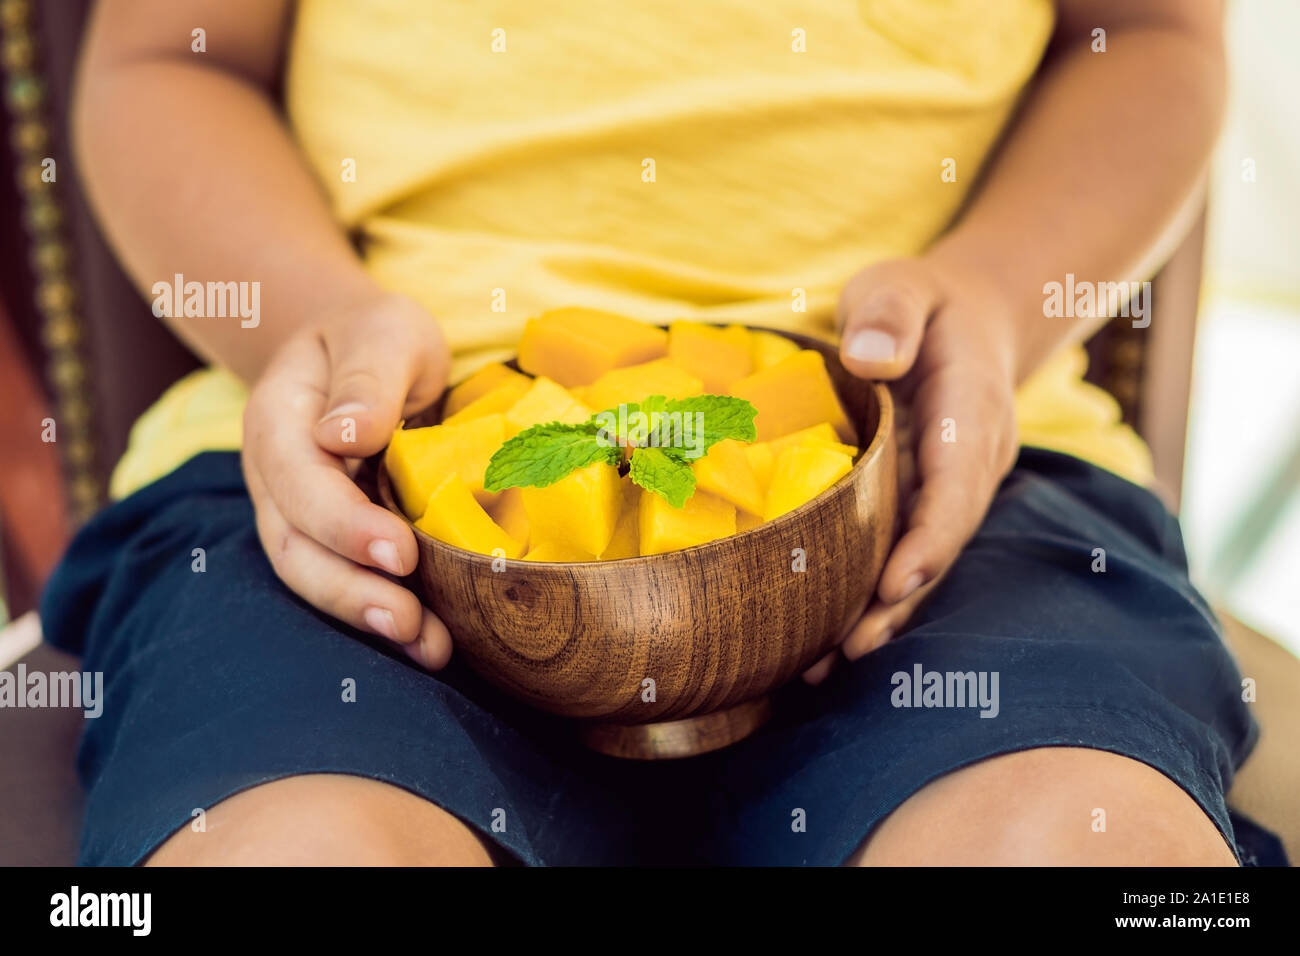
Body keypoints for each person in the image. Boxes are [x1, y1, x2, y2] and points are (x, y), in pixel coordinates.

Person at [45, 0, 1256, 865]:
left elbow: (1150, 33)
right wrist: (314, 324)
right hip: (352, 476)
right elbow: (170, 54)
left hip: (944, 456)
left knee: (1072, 838)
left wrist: (994, 299)